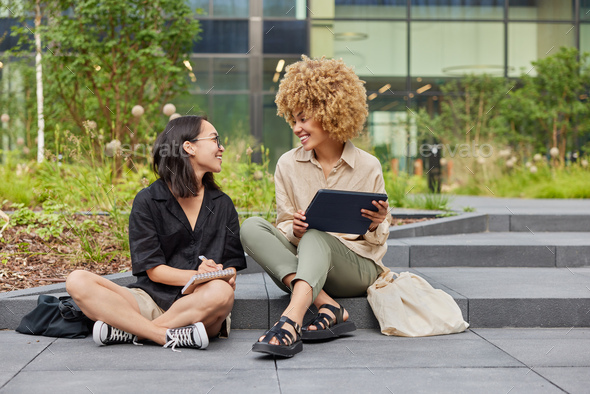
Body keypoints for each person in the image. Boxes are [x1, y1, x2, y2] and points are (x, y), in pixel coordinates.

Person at [240, 56, 391, 358]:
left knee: (316, 236)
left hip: (357, 268)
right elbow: (283, 225)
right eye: (293, 120)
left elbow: (378, 241)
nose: (297, 127)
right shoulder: (287, 164)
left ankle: (289, 323)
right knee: (251, 227)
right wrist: (293, 230)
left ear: (330, 112)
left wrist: (376, 223)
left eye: (304, 118)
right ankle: (327, 304)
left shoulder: (367, 165)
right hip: (308, 262)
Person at [66, 115, 247, 351]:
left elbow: (231, 269)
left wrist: (221, 275)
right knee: (77, 281)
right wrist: (197, 274)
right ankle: (162, 335)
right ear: (189, 147)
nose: (221, 147)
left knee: (222, 292)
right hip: (149, 300)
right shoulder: (148, 200)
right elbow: (154, 271)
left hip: (200, 306)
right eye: (215, 139)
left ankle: (132, 331)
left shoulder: (223, 204)